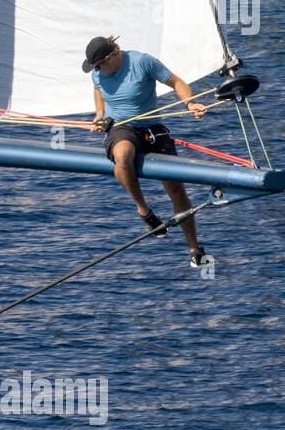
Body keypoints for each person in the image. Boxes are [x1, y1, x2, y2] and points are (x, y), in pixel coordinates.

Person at [84, 36, 210, 267]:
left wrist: (189, 104)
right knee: (122, 157)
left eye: (100, 65)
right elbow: (98, 89)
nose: (97, 70)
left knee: (177, 190)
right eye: (95, 67)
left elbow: (177, 83)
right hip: (122, 128)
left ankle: (194, 248)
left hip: (152, 128)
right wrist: (99, 114)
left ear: (112, 56)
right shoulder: (97, 73)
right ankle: (145, 212)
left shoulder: (142, 62)